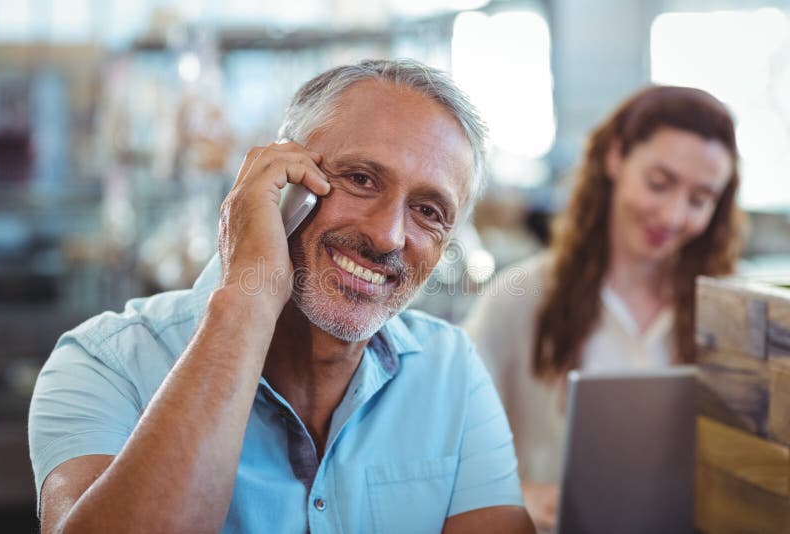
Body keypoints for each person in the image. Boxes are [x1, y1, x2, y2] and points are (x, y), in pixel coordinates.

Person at [28, 59, 535, 534]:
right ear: (279, 177)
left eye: (428, 211)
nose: (387, 237)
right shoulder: (106, 362)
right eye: (360, 179)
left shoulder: (451, 369)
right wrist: (248, 297)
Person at [462, 85, 744, 530]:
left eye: (699, 199)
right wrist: (514, 491)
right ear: (615, 158)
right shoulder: (521, 294)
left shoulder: (727, 309)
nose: (673, 216)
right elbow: (451, 438)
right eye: (659, 183)